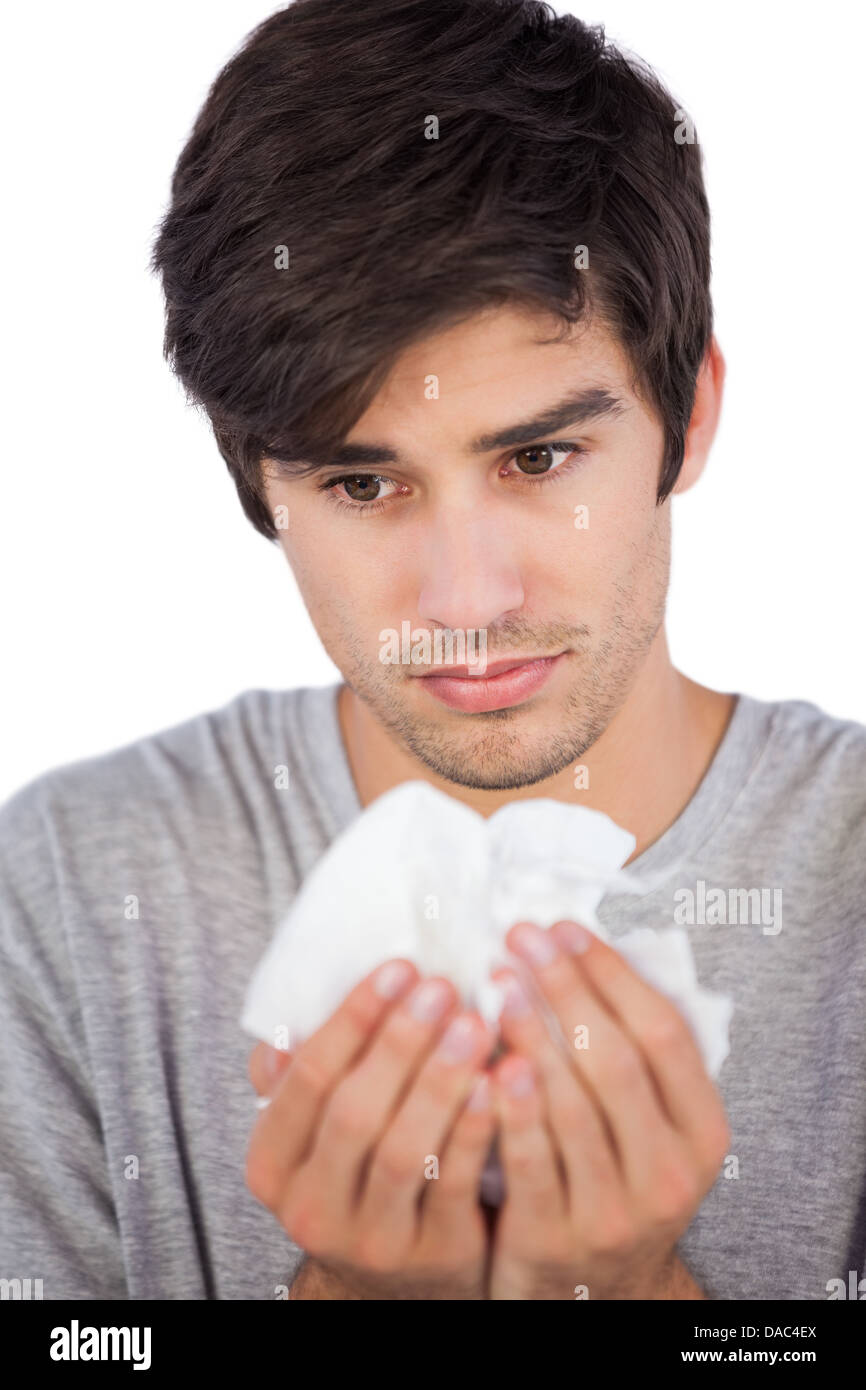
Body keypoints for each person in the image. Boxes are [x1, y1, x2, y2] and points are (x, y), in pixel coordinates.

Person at [1, 0, 864, 1301]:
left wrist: (640, 1297)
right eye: (361, 485)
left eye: (537, 457)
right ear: (257, 484)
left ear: (685, 421)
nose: (463, 596)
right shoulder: (64, 891)